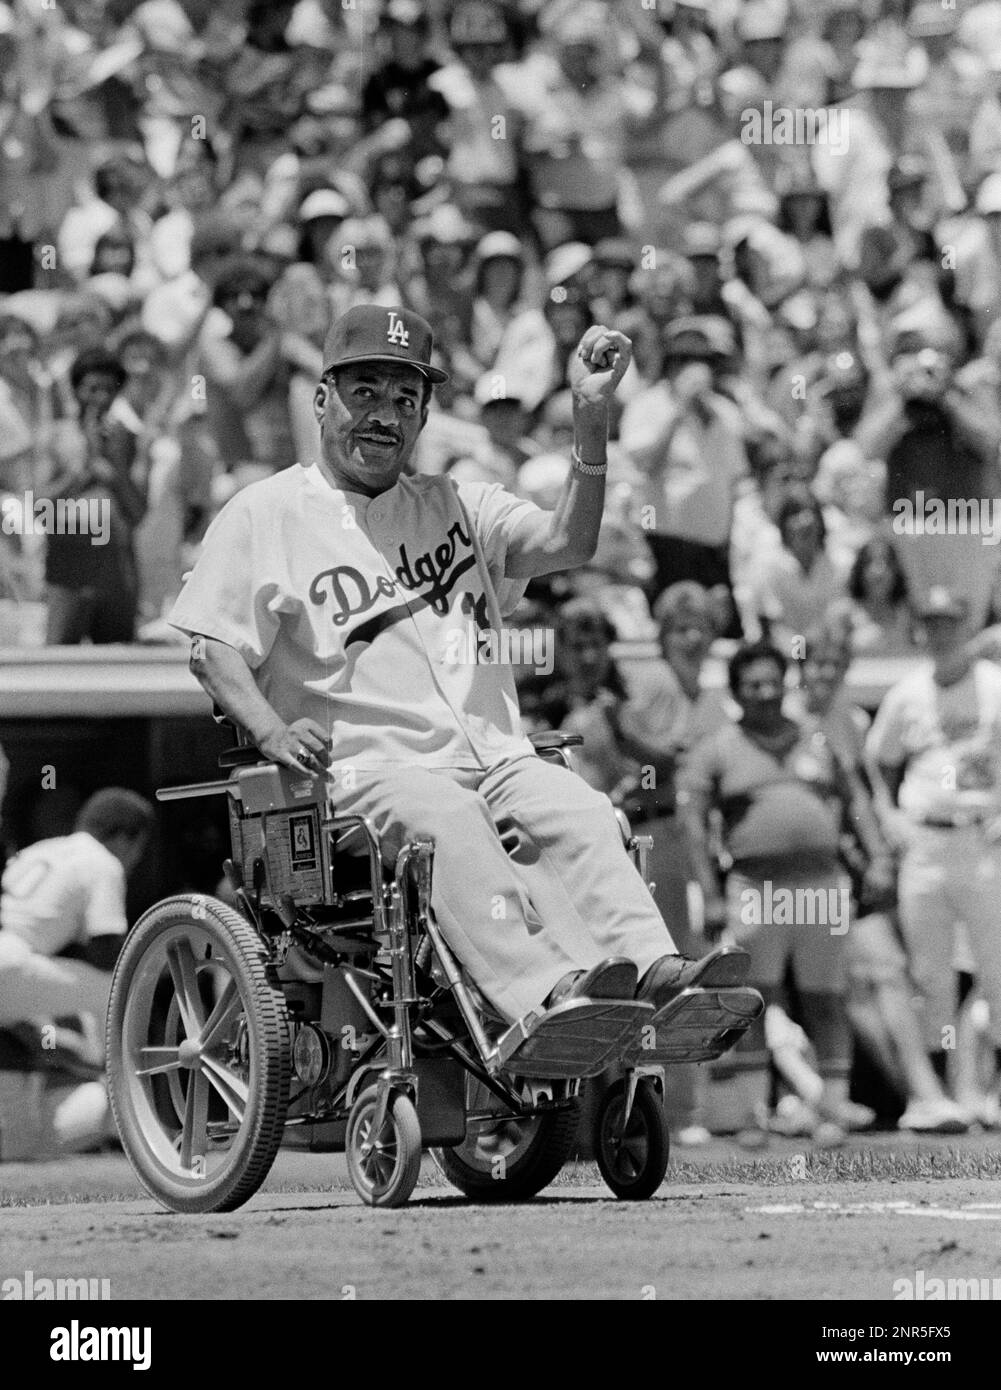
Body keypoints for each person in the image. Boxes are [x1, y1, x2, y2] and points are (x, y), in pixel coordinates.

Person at [168, 303, 747, 1030]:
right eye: (366, 392)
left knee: (581, 809)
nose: (385, 415)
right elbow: (210, 646)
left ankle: (658, 978)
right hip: (367, 773)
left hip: (494, 754)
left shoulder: (455, 503)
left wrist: (588, 420)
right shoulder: (264, 511)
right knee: (446, 818)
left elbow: (566, 542)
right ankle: (546, 1001)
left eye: (405, 399)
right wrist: (271, 730)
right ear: (321, 399)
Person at [679, 640, 890, 1147]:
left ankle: (832, 1111)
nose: (766, 692)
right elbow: (691, 822)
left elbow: (856, 798)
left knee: (827, 998)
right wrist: (708, 894)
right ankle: (754, 1113)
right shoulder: (718, 748)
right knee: (752, 1001)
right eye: (753, 684)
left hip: (822, 884)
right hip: (754, 885)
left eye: (773, 681)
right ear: (736, 692)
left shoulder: (816, 739)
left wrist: (878, 854)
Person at [866, 587, 1001, 1114]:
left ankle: (989, 1091)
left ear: (968, 627)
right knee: (931, 974)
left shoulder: (994, 687)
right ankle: (940, 1097)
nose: (941, 632)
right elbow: (879, 762)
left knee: (996, 968)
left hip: (981, 838)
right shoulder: (906, 693)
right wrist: (890, 815)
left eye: (950, 622)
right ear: (920, 630)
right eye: (932, 623)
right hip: (924, 842)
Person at [0, 788, 154, 1159]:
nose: (136, 858)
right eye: (139, 847)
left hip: (13, 960)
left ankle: (102, 1094)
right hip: (10, 962)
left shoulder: (42, 849)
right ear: (126, 837)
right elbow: (107, 954)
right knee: (122, 988)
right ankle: (134, 1116)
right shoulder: (102, 861)